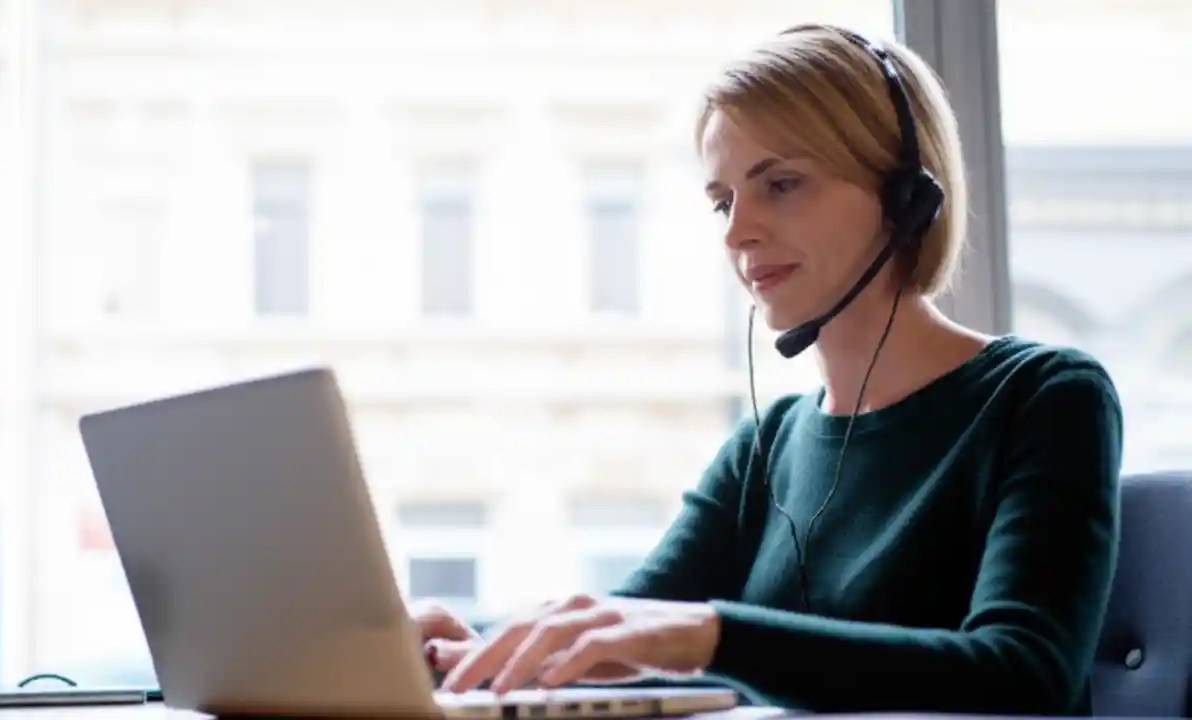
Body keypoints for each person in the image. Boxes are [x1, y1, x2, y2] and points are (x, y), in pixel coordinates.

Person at [411, 23, 1123, 715]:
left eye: (780, 184)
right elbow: (620, 633)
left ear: (907, 199)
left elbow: (1024, 672)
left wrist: (711, 636)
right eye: (723, 200)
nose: (735, 230)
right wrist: (469, 657)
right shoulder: (767, 446)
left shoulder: (1044, 398)